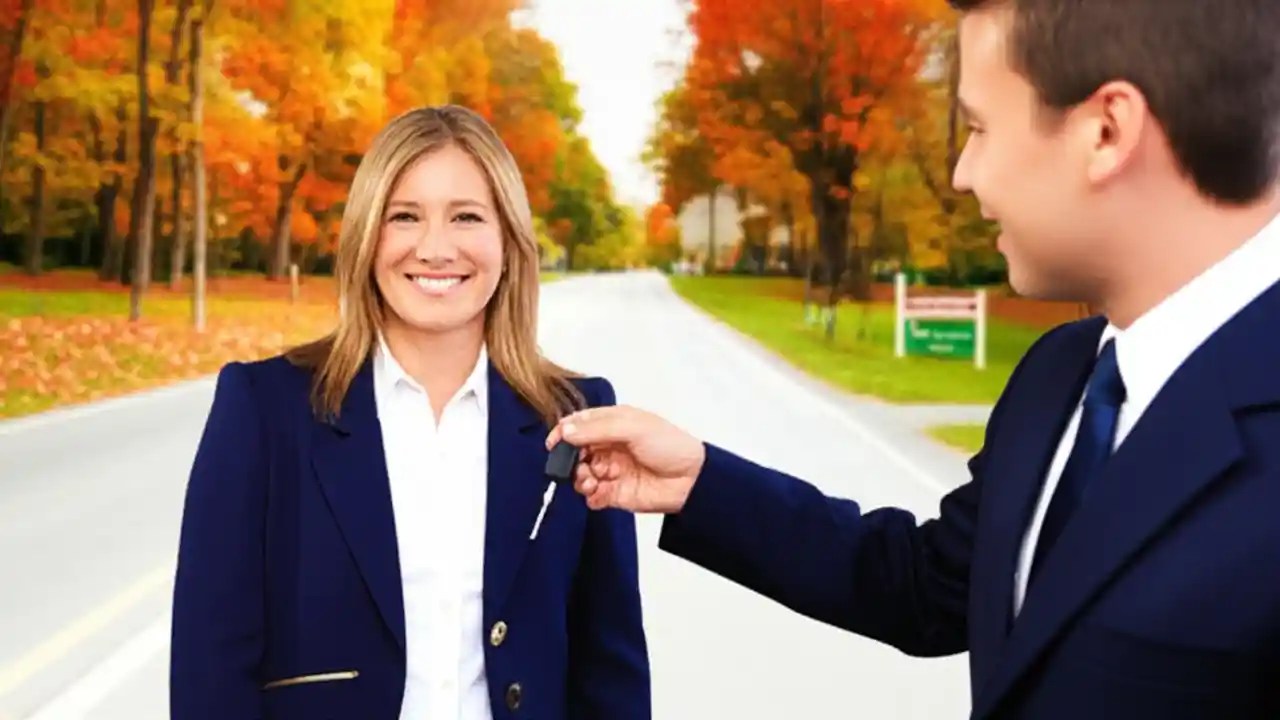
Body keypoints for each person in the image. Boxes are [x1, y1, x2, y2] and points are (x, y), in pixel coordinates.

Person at [547, 0, 1280, 717]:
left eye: (980, 129)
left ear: (1106, 130)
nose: (963, 174)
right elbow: (928, 588)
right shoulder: (1060, 378)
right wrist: (697, 482)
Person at [170, 105, 650, 720]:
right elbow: (211, 670)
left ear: (508, 239)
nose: (435, 247)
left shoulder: (579, 418)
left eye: (467, 217)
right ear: (367, 236)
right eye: (405, 216)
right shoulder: (264, 410)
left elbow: (611, 673)